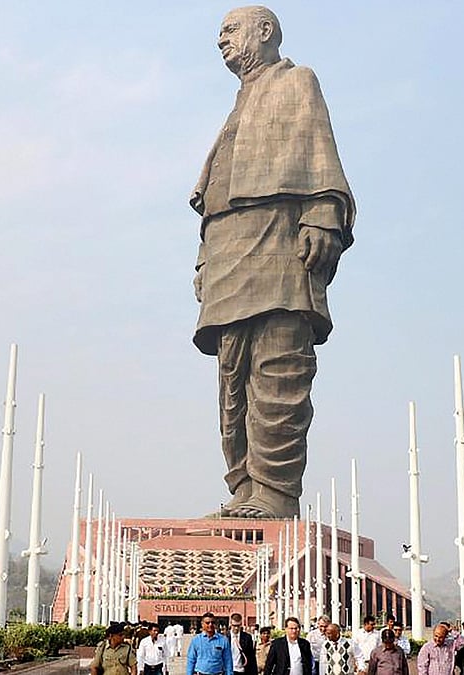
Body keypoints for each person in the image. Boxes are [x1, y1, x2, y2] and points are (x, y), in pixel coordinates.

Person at [192, 5, 356, 519]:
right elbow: (213, 189)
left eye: (231, 28)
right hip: (227, 248)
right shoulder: (238, 103)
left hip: (279, 238)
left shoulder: (296, 82)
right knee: (232, 374)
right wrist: (203, 259)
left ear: (264, 31)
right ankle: (245, 486)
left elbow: (318, 151)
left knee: (279, 363)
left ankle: (276, 491)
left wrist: (323, 214)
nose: (220, 38)